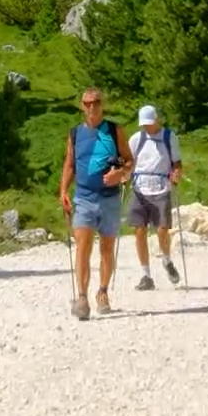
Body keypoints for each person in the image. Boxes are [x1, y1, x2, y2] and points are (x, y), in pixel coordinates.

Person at [59, 86, 125, 321]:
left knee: (106, 248)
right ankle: (82, 297)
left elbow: (129, 161)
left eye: (95, 102)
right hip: (84, 197)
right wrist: (63, 190)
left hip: (109, 198)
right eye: (87, 103)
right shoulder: (75, 133)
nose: (91, 106)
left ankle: (103, 291)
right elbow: (69, 163)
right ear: (81, 106)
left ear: (102, 103)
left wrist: (120, 174)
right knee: (83, 247)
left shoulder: (114, 130)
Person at [124, 102, 184, 290]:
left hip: (161, 188)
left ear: (156, 120)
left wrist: (176, 174)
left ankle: (167, 261)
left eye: (149, 123)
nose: (147, 127)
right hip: (139, 189)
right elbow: (128, 162)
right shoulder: (136, 139)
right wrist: (123, 175)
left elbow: (177, 163)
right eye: (144, 124)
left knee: (162, 229)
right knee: (139, 230)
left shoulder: (168, 137)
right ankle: (146, 275)